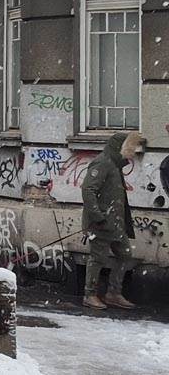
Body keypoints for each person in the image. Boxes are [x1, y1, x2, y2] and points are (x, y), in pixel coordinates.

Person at [81, 131, 144, 310]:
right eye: (130, 148)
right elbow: (88, 190)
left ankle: (113, 293)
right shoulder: (103, 163)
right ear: (120, 148)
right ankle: (89, 294)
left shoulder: (115, 165)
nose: (132, 153)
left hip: (116, 224)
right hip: (100, 223)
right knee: (97, 258)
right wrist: (97, 216)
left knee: (125, 255)